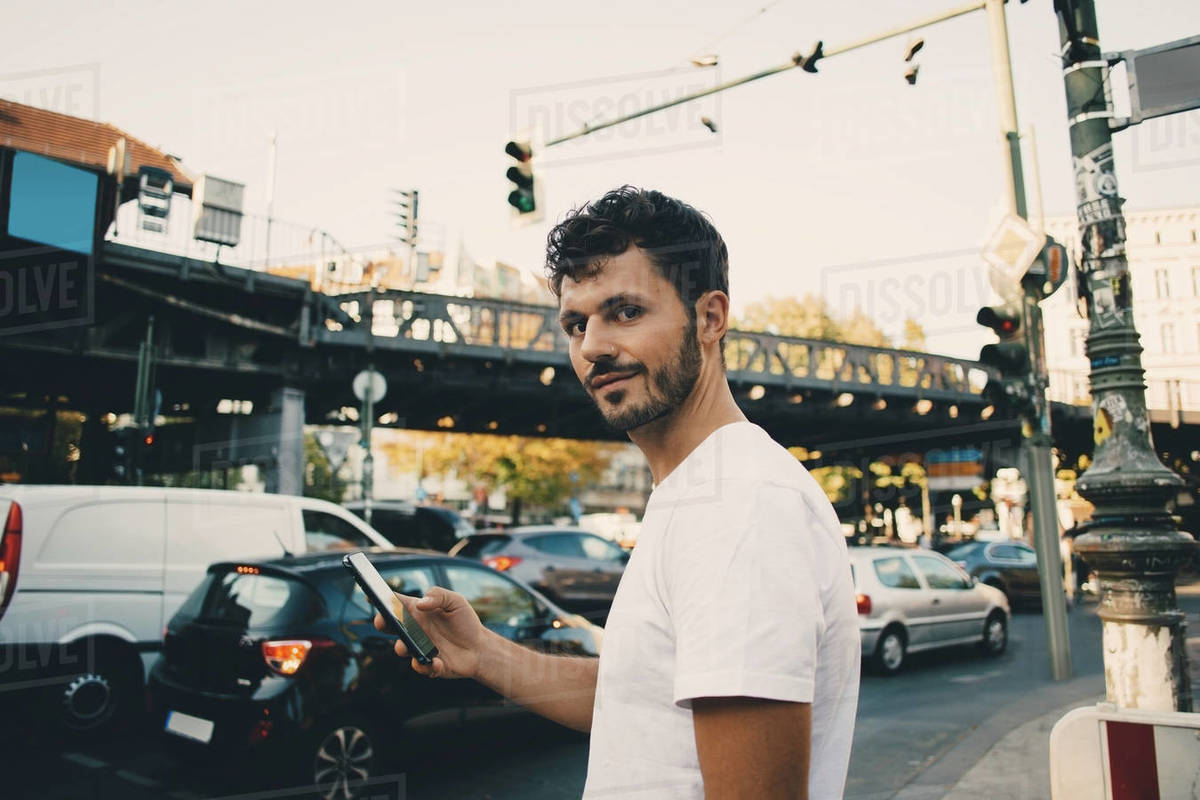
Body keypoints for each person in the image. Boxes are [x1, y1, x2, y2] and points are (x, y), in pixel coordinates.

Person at [376, 186, 860, 798]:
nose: (593, 347)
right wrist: (482, 652)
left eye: (625, 311)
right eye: (576, 323)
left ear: (709, 318)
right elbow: (645, 694)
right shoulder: (700, 491)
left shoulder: (739, 504)